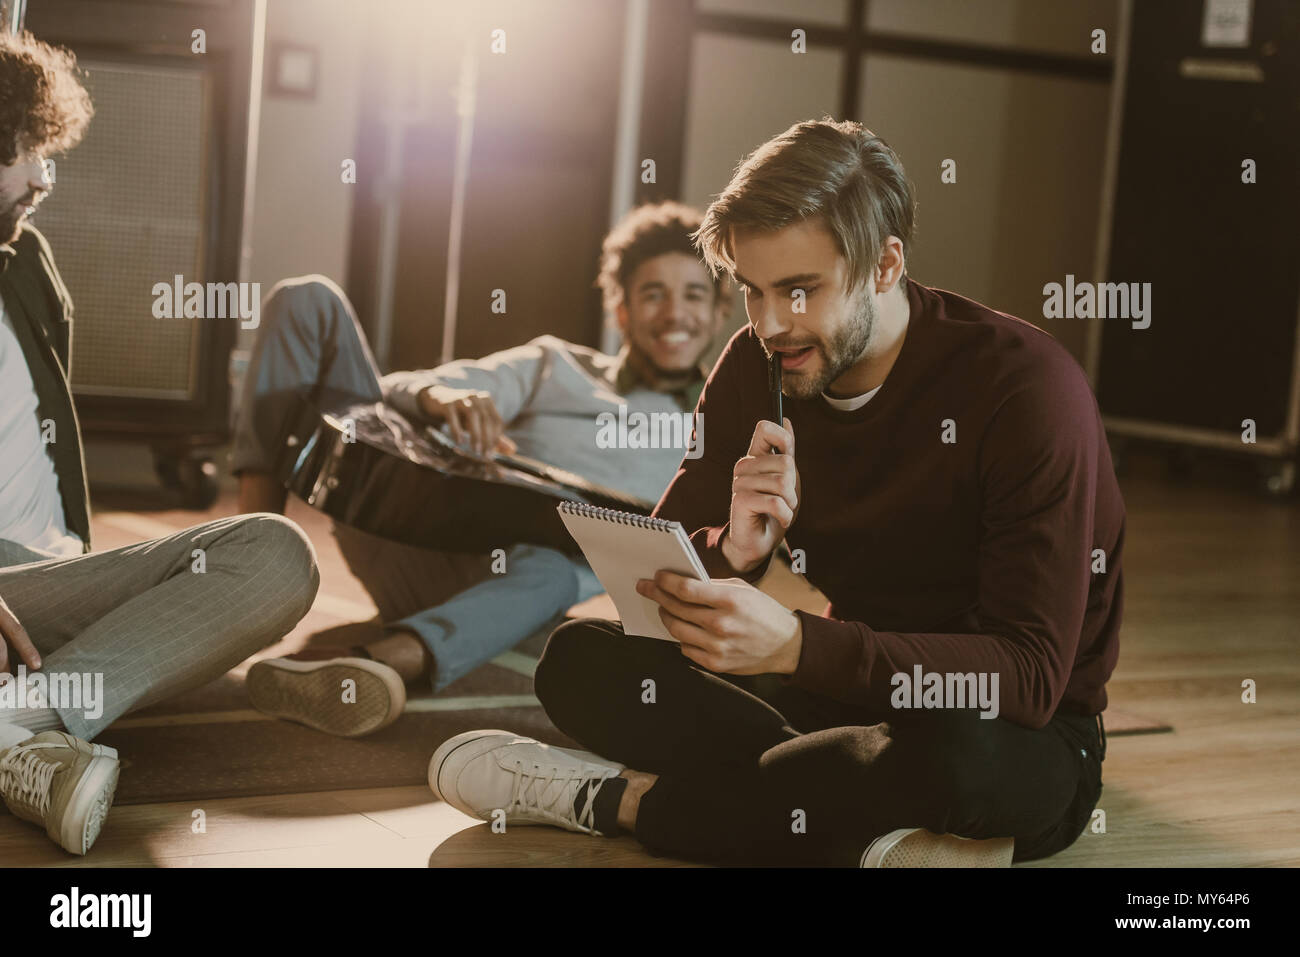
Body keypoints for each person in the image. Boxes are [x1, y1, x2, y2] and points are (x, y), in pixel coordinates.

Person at [430, 118, 1124, 867]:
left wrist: (797, 643)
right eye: (751, 290)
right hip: (844, 695)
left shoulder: (1025, 391)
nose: (768, 325)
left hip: (1016, 732)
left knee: (956, 749)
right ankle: (861, 818)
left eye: (800, 290)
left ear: (885, 265)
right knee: (579, 662)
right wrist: (732, 551)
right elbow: (651, 608)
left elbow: (1025, 675)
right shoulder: (754, 366)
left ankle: (617, 801)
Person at [234, 202, 730, 738]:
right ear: (623, 309)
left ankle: (377, 663)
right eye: (653, 294)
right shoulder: (554, 363)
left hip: (509, 590)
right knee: (306, 298)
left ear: (721, 309)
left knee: (555, 568)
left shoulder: (722, 431)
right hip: (396, 513)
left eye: (694, 294)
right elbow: (394, 391)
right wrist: (439, 395)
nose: (674, 313)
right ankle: (251, 565)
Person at [0, 32, 320, 856]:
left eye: (47, 152)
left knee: (276, 555)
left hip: (53, 581)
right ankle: (38, 742)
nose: (43, 178)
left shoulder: (25, 260)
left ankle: (18, 717)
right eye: (25, 151)